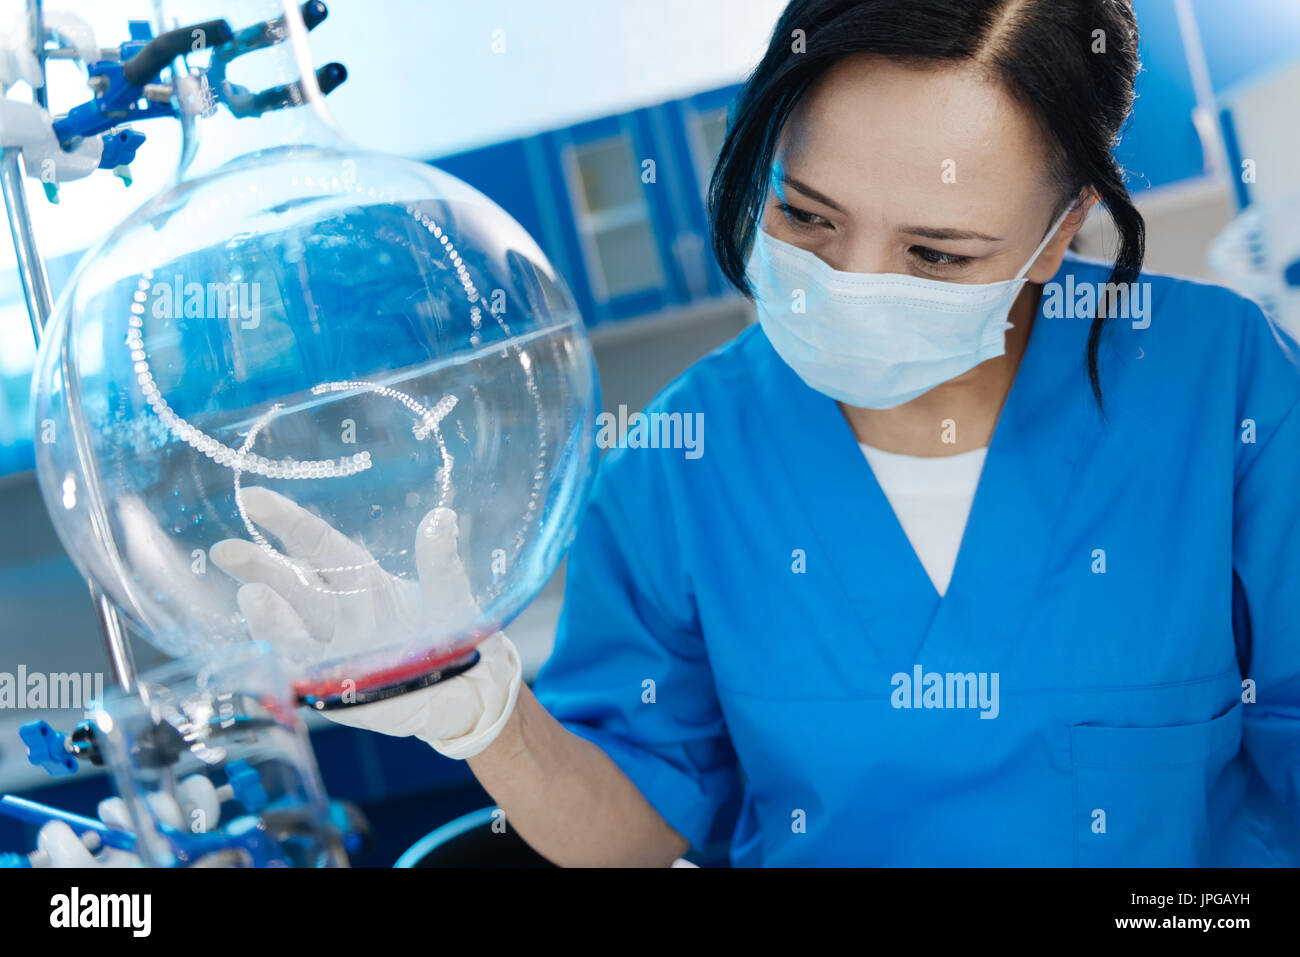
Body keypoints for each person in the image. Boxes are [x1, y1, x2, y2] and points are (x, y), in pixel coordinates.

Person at [217, 0, 1300, 866]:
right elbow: (632, 832)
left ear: (1060, 231)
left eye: (936, 256)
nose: (850, 283)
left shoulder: (1218, 382)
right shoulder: (680, 464)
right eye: (806, 215)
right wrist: (482, 715)